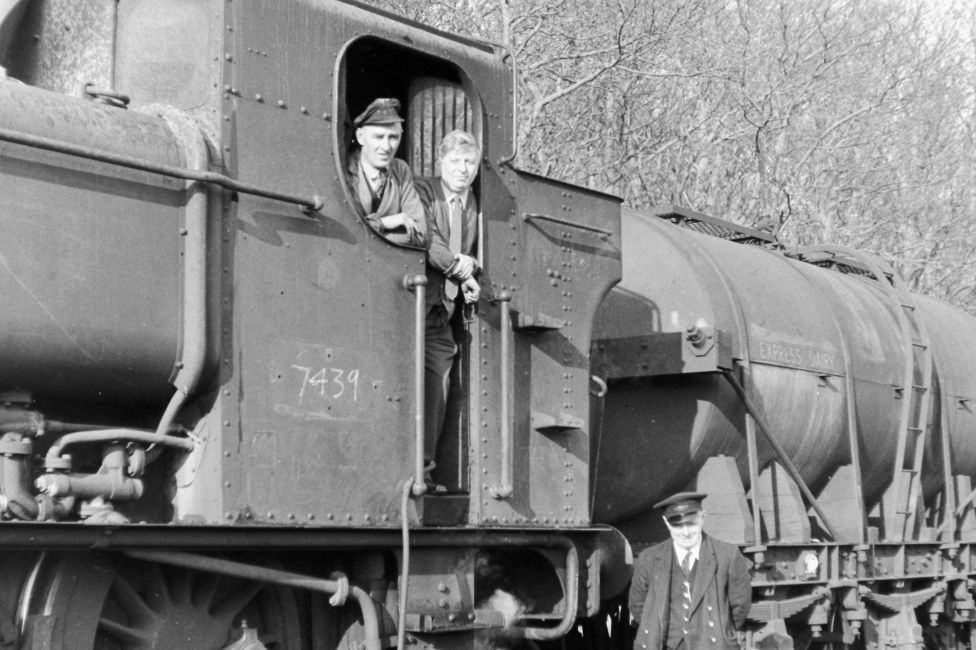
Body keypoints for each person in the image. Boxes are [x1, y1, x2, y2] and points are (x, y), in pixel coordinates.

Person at [414, 130, 482, 482]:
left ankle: (423, 467)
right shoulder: (423, 190)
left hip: (443, 313)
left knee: (439, 379)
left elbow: (480, 252)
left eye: (469, 162)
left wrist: (474, 269)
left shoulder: (474, 204)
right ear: (440, 163)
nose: (462, 169)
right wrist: (459, 267)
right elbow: (428, 238)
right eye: (455, 161)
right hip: (413, 305)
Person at [629, 492, 752, 650]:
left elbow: (740, 605)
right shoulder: (649, 559)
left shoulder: (727, 555)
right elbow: (638, 605)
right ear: (666, 523)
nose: (686, 532)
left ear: (703, 517)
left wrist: (721, 630)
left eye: (691, 524)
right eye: (678, 525)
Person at [345, 98, 426, 246]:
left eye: (393, 137)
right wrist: (383, 223)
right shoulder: (343, 169)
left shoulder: (401, 169)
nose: (386, 146)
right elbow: (346, 231)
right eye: (378, 137)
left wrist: (368, 235)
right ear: (360, 137)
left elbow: (419, 233)